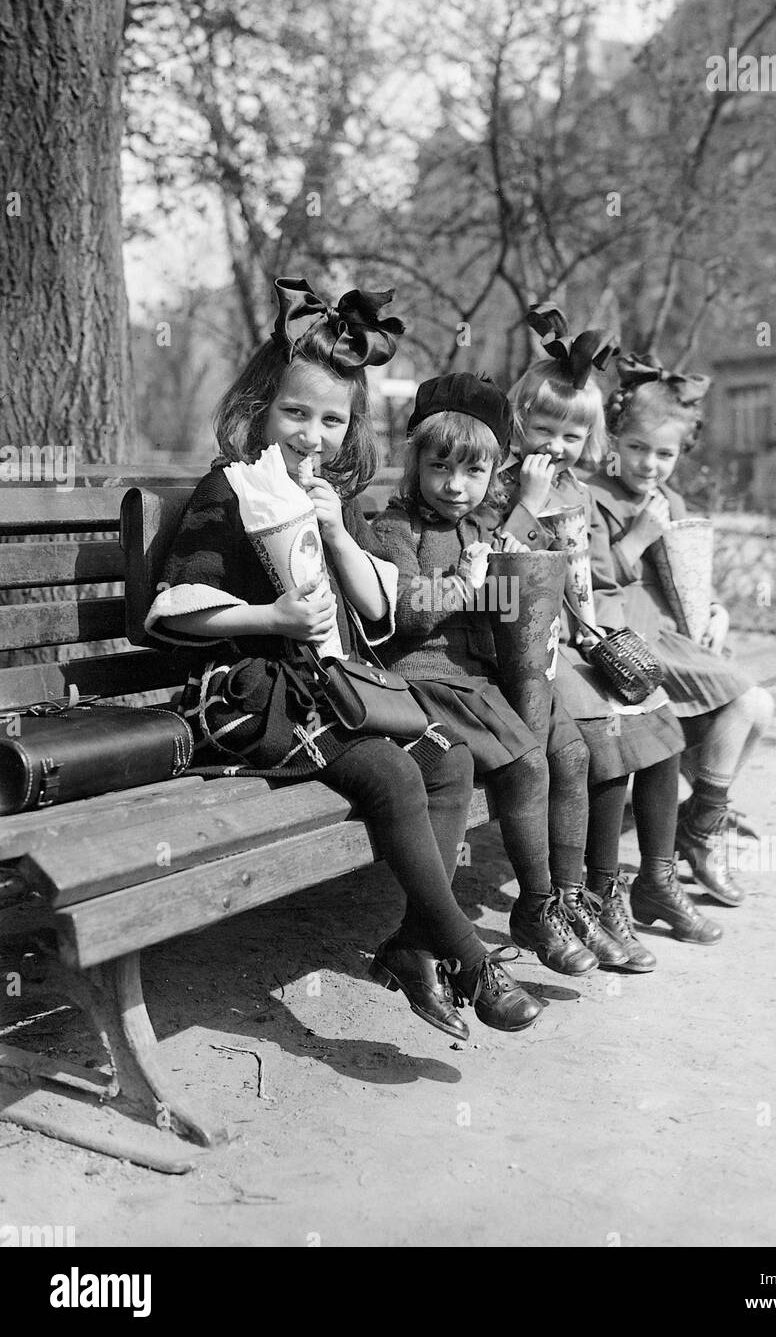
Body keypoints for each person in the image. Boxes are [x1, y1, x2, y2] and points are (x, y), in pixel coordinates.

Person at [143, 277, 542, 1040]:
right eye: (296, 413)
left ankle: (413, 946)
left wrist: (335, 531)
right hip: (251, 694)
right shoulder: (230, 491)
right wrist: (271, 614)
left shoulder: (332, 497)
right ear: (262, 410)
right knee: (392, 770)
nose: (311, 435)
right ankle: (470, 956)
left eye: (332, 420)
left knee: (449, 760)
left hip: (334, 691)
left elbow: (376, 610)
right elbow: (171, 609)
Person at [370, 371, 634, 977]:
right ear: (415, 464)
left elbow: (524, 590)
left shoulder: (482, 526)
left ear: (494, 474)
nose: (456, 487)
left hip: (492, 674)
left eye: (475, 473)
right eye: (442, 469)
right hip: (430, 677)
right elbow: (406, 614)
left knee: (570, 753)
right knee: (528, 762)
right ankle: (536, 908)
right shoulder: (398, 530)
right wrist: (467, 580)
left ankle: (569, 901)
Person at [499, 305, 723, 949]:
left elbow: (586, 583)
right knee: (610, 733)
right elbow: (491, 573)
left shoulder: (577, 490)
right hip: (523, 650)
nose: (554, 447)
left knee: (660, 720)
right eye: (542, 429)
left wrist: (594, 632)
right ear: (520, 423)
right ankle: (594, 894)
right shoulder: (502, 485)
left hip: (578, 640)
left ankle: (646, 881)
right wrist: (527, 506)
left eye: (571, 438)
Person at [589, 353, 775, 905]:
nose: (649, 464)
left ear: (680, 453)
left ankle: (697, 828)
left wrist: (716, 608)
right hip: (627, 638)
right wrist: (640, 536)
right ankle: (699, 835)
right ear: (614, 440)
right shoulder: (595, 495)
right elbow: (593, 581)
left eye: (664, 454)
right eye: (637, 449)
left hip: (675, 631)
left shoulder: (669, 499)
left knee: (759, 705)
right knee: (747, 700)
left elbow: (685, 573)